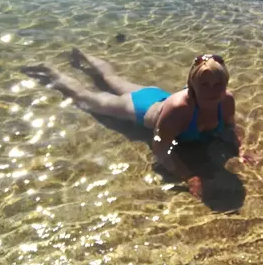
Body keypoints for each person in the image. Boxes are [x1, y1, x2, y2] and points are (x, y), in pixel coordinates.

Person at [22, 51, 248, 199]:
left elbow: (230, 126)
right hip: (138, 107)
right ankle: (50, 71)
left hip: (157, 96)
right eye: (204, 84)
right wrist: (188, 176)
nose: (212, 90)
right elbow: (160, 147)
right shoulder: (178, 109)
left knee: (112, 80)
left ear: (225, 84)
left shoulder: (226, 99)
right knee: (86, 98)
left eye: (218, 84)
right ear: (192, 84)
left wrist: (242, 149)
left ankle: (81, 54)